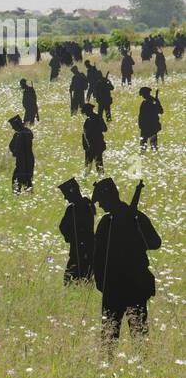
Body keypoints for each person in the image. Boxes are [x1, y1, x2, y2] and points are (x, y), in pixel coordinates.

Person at [92, 179, 160, 340]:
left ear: (108, 197)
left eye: (100, 200)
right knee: (138, 334)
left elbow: (97, 258)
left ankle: (110, 364)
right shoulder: (135, 217)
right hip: (133, 285)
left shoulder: (108, 222)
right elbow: (155, 243)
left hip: (115, 286)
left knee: (110, 335)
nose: (100, 205)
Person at [57, 178, 96, 284]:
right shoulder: (87, 205)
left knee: (69, 280)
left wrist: (70, 237)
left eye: (66, 194)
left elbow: (63, 226)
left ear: (72, 192)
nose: (65, 197)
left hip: (80, 250)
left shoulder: (75, 208)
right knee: (85, 278)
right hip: (87, 248)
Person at [8, 115, 34, 192]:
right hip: (29, 160)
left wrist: (14, 151)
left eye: (13, 126)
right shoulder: (26, 132)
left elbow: (16, 150)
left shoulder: (20, 134)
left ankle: (17, 195)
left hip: (22, 161)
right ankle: (28, 195)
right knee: (27, 179)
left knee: (17, 179)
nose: (12, 128)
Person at [80, 103, 106, 172]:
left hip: (91, 147)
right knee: (99, 166)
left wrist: (87, 146)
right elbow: (105, 129)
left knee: (88, 167)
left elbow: (86, 135)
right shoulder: (98, 118)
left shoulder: (88, 121)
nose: (85, 114)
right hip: (98, 144)